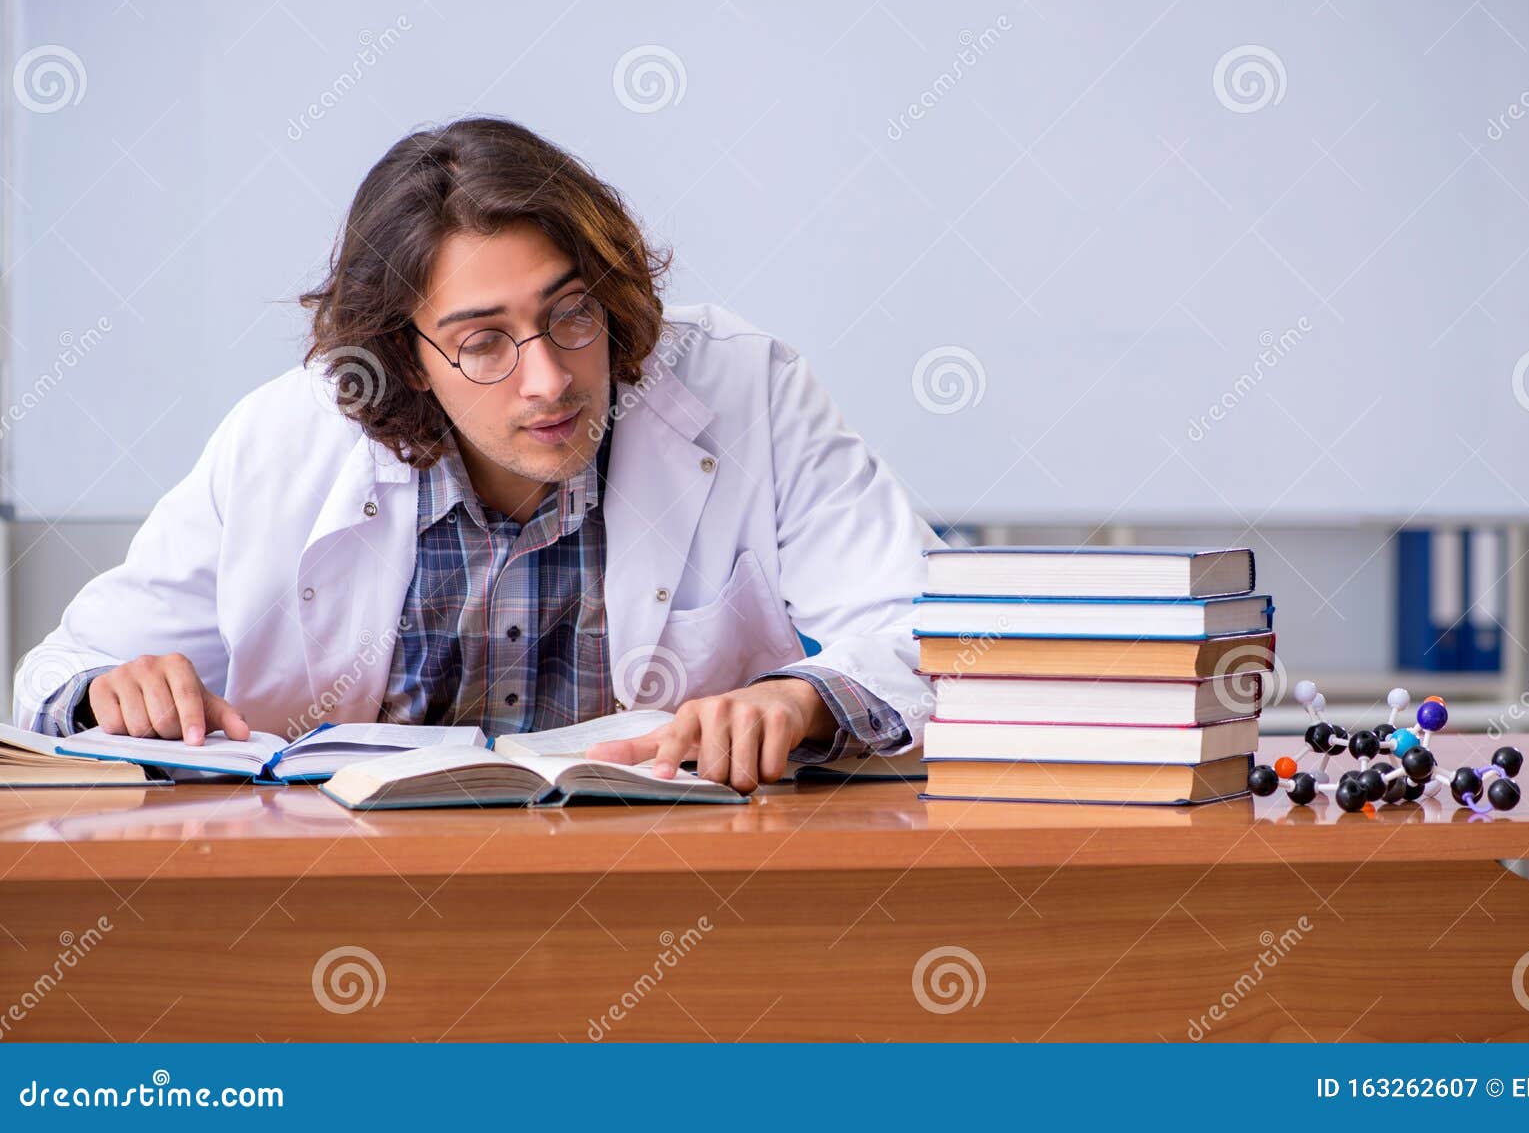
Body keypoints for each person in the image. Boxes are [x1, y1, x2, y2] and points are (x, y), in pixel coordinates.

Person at [12, 117, 937, 794]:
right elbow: (59, 673)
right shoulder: (285, 440)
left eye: (570, 313)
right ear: (405, 357)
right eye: (483, 341)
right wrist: (109, 690)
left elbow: (937, 634)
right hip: (345, 895)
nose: (548, 380)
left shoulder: (747, 389)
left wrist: (802, 697)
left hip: (665, 887)